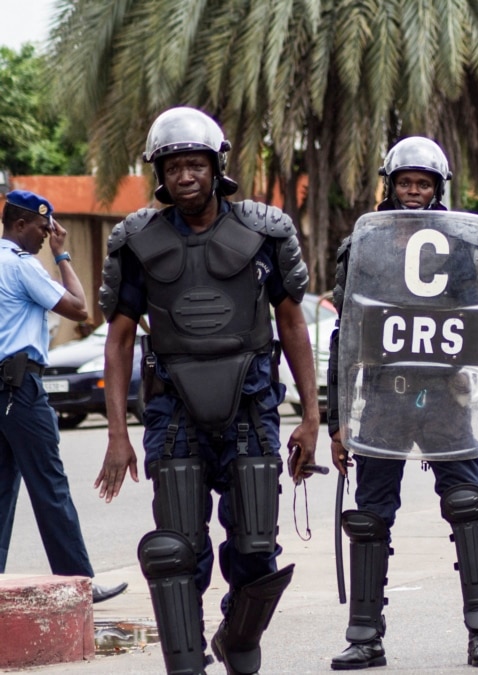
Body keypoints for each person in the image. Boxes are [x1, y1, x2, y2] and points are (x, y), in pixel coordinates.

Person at [94, 107, 319, 675]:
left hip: (251, 405)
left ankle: (239, 645)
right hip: (173, 412)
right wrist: (117, 433)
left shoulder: (265, 232)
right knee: (177, 551)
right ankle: (186, 665)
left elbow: (293, 324)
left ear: (217, 166)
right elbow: (119, 340)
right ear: (160, 174)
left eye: (195, 164)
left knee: (255, 546)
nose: (185, 177)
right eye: (173, 168)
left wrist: (312, 416)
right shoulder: (136, 241)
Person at [326, 136, 478, 670]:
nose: (413, 191)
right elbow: (347, 332)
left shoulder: (462, 244)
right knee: (369, 516)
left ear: (438, 189)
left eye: (422, 183)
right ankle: (364, 635)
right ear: (390, 185)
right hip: (383, 396)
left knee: (468, 505)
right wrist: (338, 421)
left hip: (445, 397)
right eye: (405, 182)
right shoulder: (362, 244)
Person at [0, 189, 127, 604]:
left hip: (4, 390)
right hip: (21, 389)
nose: (46, 234)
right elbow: (80, 308)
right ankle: (80, 584)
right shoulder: (22, 266)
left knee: (2, 488)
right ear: (20, 225)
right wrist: (62, 256)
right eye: (41, 227)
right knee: (50, 487)